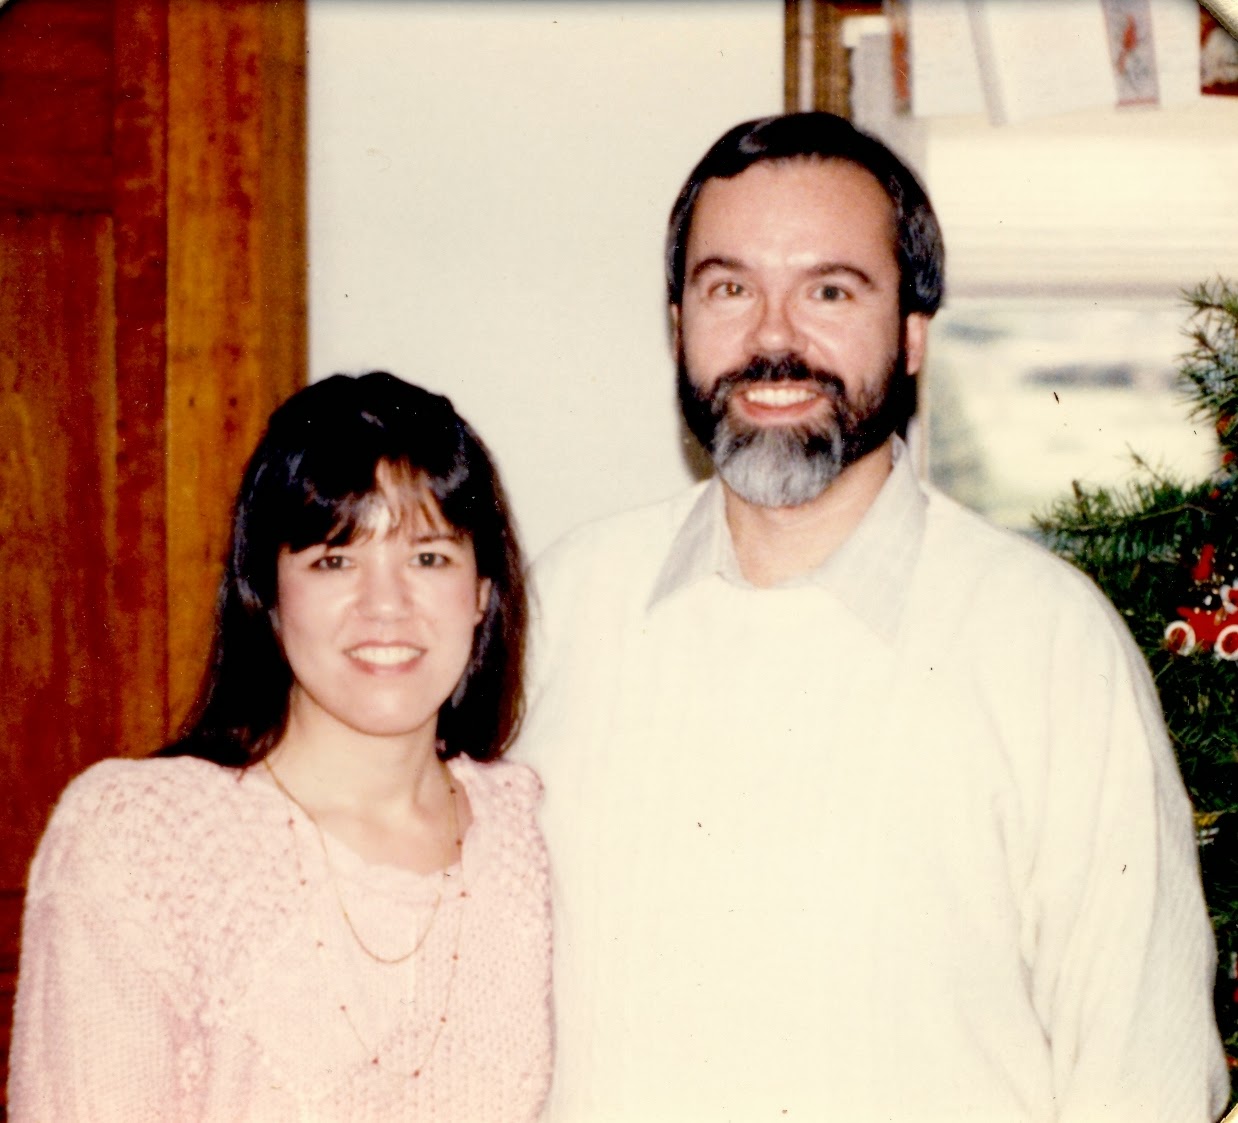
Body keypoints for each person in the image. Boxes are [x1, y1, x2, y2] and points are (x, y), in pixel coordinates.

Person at [520, 112, 1228, 1121]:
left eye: (828, 290)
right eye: (729, 288)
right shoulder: (562, 608)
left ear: (910, 337)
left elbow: (1139, 1076)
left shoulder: (1045, 646)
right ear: (676, 323)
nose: (772, 339)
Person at [9, 372, 552, 1121]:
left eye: (428, 557)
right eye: (335, 559)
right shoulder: (137, 841)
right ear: (266, 591)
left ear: (484, 588)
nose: (385, 604)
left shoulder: (532, 833)